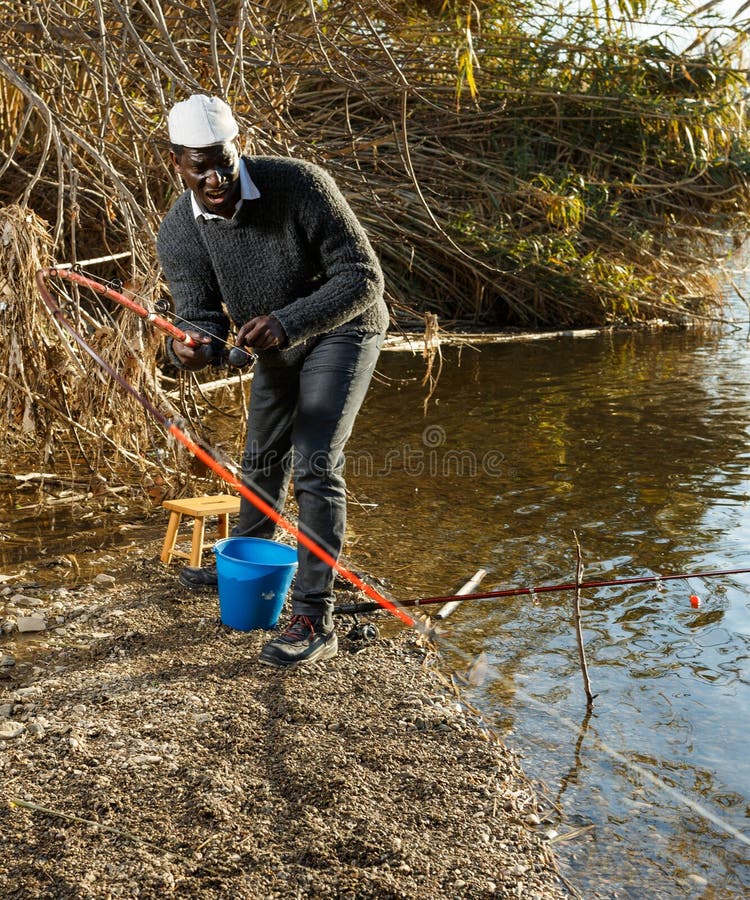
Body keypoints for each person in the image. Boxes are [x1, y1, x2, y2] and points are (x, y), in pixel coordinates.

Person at [157, 94, 388, 667]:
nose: (214, 177)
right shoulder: (180, 231)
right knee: (261, 457)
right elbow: (197, 313)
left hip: (342, 328)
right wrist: (191, 347)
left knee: (313, 458)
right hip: (277, 340)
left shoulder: (300, 185)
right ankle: (250, 566)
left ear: (240, 148)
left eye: (224, 161)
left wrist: (289, 322)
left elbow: (363, 277)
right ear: (176, 162)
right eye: (198, 164)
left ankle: (314, 613)